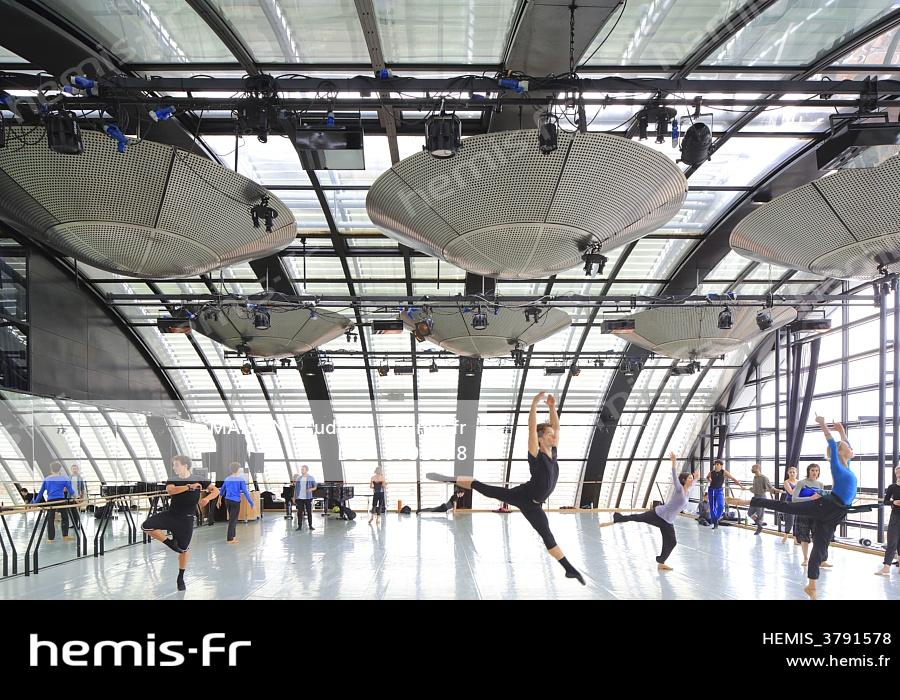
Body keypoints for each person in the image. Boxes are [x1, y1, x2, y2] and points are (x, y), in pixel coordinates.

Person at [426, 392, 585, 585]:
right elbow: (531, 429)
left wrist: (552, 408)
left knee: (547, 535)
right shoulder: (536, 454)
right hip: (522, 495)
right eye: (549, 434)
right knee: (486, 489)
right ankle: (452, 479)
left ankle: (569, 569)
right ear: (540, 438)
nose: (554, 436)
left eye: (553, 434)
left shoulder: (553, 452)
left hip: (534, 505)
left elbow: (557, 428)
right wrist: (535, 403)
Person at [728, 415, 857, 600]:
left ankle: (812, 585)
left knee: (820, 547)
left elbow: (844, 443)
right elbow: (833, 443)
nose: (851, 448)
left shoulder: (848, 465)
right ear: (840, 452)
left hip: (837, 513)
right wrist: (823, 425)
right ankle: (750, 502)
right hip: (826, 506)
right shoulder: (837, 466)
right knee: (787, 507)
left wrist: (841, 431)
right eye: (847, 448)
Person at [141, 455, 219, 591]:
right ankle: (170, 543)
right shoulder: (173, 479)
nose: (173, 467)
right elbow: (171, 490)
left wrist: (207, 499)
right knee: (146, 526)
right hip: (171, 515)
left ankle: (180, 577)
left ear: (185, 465)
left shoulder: (199, 479)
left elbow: (216, 490)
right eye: (173, 465)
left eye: (176, 464)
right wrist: (189, 487)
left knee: (183, 550)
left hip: (186, 520)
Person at [607, 452, 695, 571]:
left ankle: (661, 561)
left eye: (692, 478)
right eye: (690, 478)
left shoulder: (688, 492)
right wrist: (674, 462)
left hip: (668, 521)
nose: (692, 479)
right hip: (659, 514)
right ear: (684, 480)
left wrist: (697, 477)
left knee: (672, 542)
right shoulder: (679, 489)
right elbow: (675, 476)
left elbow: (693, 483)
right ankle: (619, 517)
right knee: (638, 517)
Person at [791, 464, 825, 568]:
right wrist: (811, 498)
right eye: (812, 470)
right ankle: (806, 559)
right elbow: (794, 499)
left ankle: (819, 559)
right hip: (803, 513)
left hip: (816, 513)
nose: (814, 472)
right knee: (804, 537)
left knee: (817, 537)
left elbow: (820, 499)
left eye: (816, 470)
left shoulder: (820, 484)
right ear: (808, 471)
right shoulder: (801, 483)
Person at [32, 461, 75, 542]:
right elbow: (71, 491)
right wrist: (76, 498)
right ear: (60, 470)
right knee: (65, 517)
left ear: (51, 469)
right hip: (61, 500)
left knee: (50, 518)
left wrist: (35, 503)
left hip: (50, 500)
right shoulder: (64, 478)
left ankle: (51, 539)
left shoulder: (46, 479)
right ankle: (65, 535)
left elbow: (41, 492)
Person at [217, 462, 255, 544]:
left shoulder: (227, 479)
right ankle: (230, 539)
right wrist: (251, 502)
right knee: (233, 520)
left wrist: (219, 500)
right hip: (235, 501)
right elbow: (245, 492)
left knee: (232, 519)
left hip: (227, 500)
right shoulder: (240, 479)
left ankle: (233, 537)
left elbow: (222, 490)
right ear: (238, 469)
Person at [876, 464, 900, 576]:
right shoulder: (892, 487)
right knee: (892, 541)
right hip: (895, 516)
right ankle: (886, 567)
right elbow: (885, 501)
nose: (899, 474)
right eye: (897, 472)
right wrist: (893, 502)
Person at [706, 458, 744, 529]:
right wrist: (709, 479)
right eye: (715, 464)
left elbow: (733, 478)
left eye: (718, 464)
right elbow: (707, 477)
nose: (716, 466)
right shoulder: (711, 472)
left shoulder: (724, 472)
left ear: (721, 465)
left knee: (721, 505)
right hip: (711, 490)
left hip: (719, 490)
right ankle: (715, 522)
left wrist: (741, 486)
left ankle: (716, 519)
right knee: (712, 506)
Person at [747, 464, 781, 535]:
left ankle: (759, 526)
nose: (751, 469)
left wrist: (778, 490)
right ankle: (760, 524)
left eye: (753, 468)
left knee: (759, 514)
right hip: (755, 497)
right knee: (750, 513)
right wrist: (749, 489)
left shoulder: (764, 478)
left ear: (757, 468)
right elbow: (755, 488)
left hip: (761, 497)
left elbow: (770, 487)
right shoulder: (755, 477)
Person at [293, 465, 317, 531]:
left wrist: (311, 489)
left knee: (309, 512)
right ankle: (299, 526)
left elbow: (315, 487)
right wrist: (294, 497)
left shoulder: (311, 478)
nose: (302, 471)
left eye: (303, 469)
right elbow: (295, 488)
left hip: (308, 498)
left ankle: (310, 526)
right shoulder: (299, 478)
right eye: (301, 469)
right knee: (299, 512)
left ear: (306, 470)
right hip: (299, 498)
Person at [780, 466, 799, 543]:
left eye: (793, 472)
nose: (792, 474)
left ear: (796, 473)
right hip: (789, 502)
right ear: (788, 473)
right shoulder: (786, 482)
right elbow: (791, 492)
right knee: (790, 520)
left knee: (796, 521)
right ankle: (786, 535)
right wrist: (799, 485)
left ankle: (795, 539)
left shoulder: (799, 482)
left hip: (797, 502)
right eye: (790, 472)